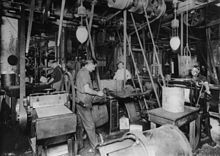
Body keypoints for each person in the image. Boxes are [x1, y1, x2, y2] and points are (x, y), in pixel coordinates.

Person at [76, 59, 104, 152]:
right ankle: (95, 146)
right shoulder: (85, 73)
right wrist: (97, 93)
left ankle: (80, 144)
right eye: (93, 67)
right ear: (89, 64)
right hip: (83, 102)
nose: (93, 69)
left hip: (80, 101)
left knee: (81, 124)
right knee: (90, 125)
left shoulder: (81, 72)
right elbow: (87, 89)